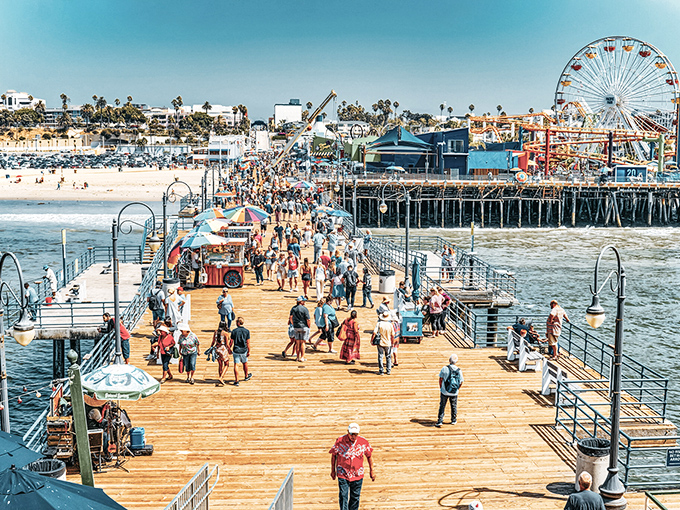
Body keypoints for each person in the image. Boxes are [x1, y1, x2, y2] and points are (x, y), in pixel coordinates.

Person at [329, 423, 375, 510]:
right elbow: (334, 455)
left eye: (355, 434)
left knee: (355, 497)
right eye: (351, 434)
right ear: (347, 432)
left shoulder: (363, 442)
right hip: (343, 473)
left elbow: (369, 456)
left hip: (357, 474)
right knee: (343, 496)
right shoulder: (340, 441)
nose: (353, 436)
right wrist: (333, 470)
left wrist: (372, 470)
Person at [436, 353, 464, 427]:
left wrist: (441, 387)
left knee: (442, 405)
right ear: (456, 361)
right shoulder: (459, 370)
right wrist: (457, 389)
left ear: (449, 360)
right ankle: (453, 420)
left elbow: (440, 379)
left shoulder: (444, 368)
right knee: (453, 405)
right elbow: (461, 382)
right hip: (454, 392)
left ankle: (440, 420)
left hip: (444, 391)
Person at [228, 316, 252, 386]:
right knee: (245, 363)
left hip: (236, 350)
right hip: (244, 350)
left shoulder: (234, 331)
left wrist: (229, 349)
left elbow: (231, 341)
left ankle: (236, 380)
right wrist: (249, 351)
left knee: (236, 364)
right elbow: (248, 342)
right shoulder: (247, 331)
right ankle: (246, 376)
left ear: (238, 323)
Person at [371, 311, 394, 375]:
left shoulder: (379, 324)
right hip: (388, 342)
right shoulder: (390, 325)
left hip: (380, 342)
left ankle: (381, 370)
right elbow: (392, 335)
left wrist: (372, 340)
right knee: (388, 357)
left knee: (380, 356)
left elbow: (374, 333)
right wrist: (392, 342)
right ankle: (388, 370)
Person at [289, 295, 311, 362]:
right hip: (304, 327)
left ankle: (297, 357)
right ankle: (302, 357)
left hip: (296, 327)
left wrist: (293, 323)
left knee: (297, 342)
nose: (304, 302)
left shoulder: (293, 308)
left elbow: (290, 317)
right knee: (303, 342)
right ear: (301, 302)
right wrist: (309, 326)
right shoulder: (305, 309)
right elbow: (308, 319)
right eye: (303, 301)